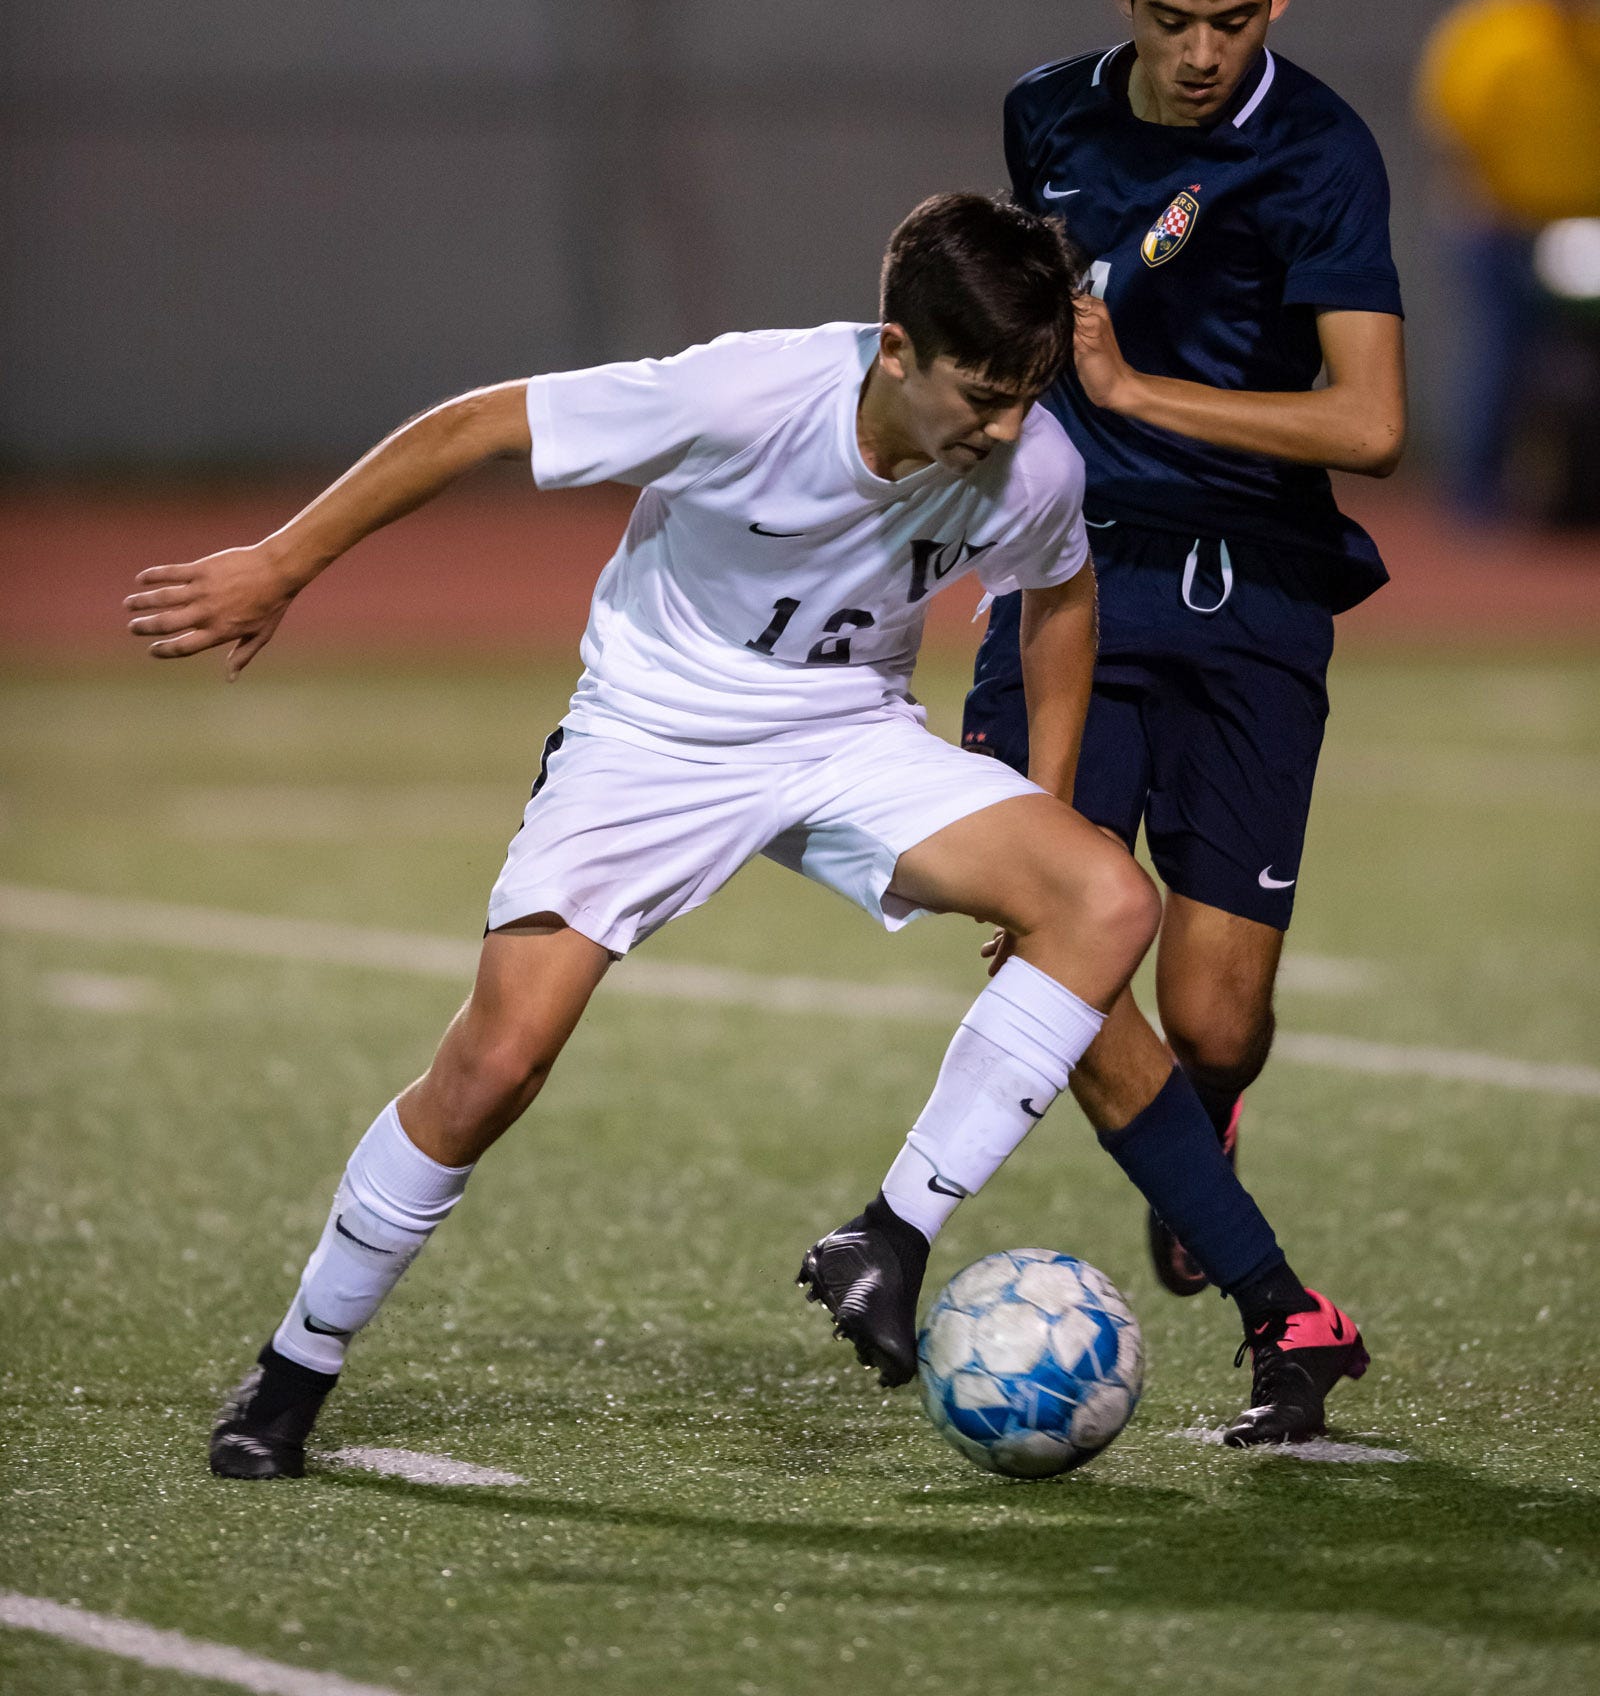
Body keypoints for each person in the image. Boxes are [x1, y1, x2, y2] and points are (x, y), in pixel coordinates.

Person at [127, 193, 1366, 1480]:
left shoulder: (1031, 457)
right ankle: (292, 1370)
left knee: (1104, 900)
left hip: (846, 736)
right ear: (896, 350)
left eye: (1025, 394)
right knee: (495, 1063)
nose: (1006, 427)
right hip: (648, 737)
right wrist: (282, 561)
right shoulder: (739, 394)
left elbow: (1057, 597)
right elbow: (475, 423)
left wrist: (1047, 816)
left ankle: (889, 1232)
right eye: (982, 395)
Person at [827, 0, 1406, 1330]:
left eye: (1233, 18)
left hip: (1261, 586)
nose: (1203, 53)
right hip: (1075, 576)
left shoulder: (1324, 153)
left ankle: (1200, 1122)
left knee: (1214, 1016)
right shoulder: (1045, 116)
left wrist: (1143, 398)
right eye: (1170, 18)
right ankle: (1218, 1274)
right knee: (1058, 928)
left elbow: (1371, 424)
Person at [1416, 0, 1600, 519]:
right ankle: (1478, 494)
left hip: (1577, 229)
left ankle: (1575, 494)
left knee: (1575, 365)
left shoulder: (1591, 34)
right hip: (1500, 225)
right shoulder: (1491, 31)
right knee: (1500, 354)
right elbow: (1450, 125)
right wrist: (1473, 195)